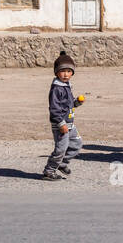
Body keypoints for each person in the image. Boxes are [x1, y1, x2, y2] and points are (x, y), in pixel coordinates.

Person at [43, 50, 84, 181]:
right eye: (62, 71)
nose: (66, 74)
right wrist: (61, 124)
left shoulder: (66, 85)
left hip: (70, 124)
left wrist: (77, 102)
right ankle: (49, 170)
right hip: (61, 125)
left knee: (77, 144)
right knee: (61, 149)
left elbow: (68, 104)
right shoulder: (56, 88)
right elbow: (54, 109)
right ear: (56, 72)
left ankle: (62, 164)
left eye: (69, 71)